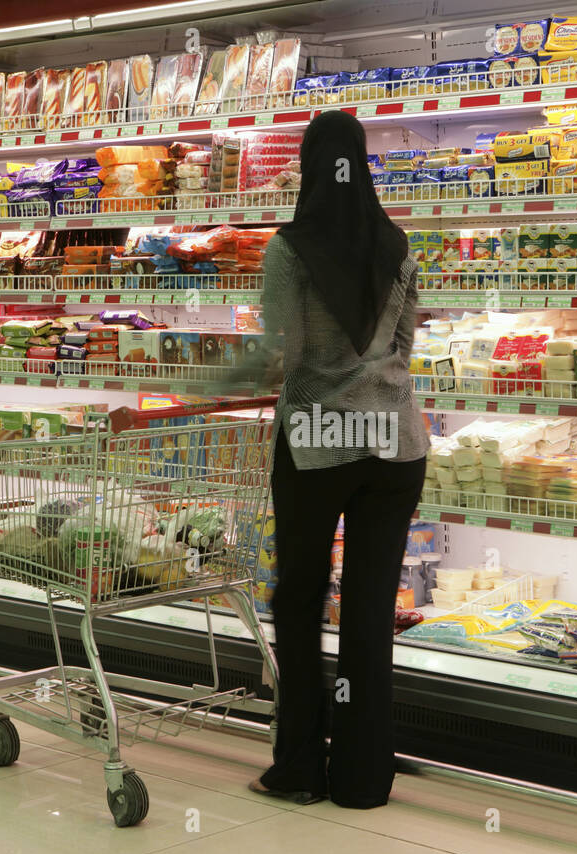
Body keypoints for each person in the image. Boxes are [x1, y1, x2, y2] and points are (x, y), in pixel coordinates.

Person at [242, 110, 428, 809]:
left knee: (298, 601)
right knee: (369, 609)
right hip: (394, 445)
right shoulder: (395, 243)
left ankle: (298, 767)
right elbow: (405, 345)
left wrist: (212, 383)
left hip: (319, 444)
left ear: (312, 167)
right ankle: (361, 777)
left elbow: (279, 353)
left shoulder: (290, 251)